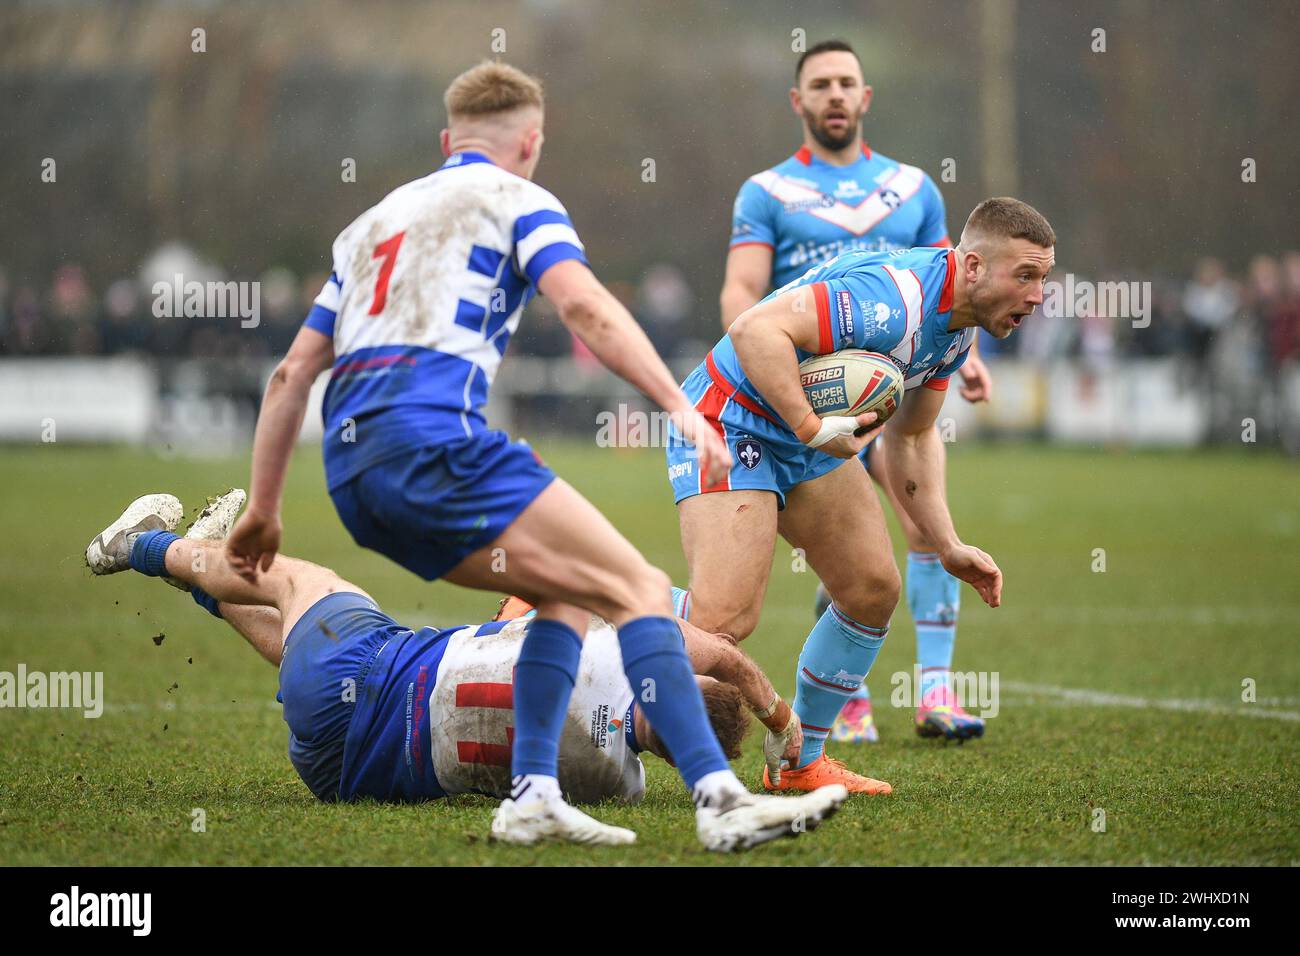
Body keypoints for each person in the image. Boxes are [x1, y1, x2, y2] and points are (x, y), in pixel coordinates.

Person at [218, 53, 843, 853]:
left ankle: (535, 794)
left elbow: (292, 373)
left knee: (566, 590)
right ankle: (720, 800)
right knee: (639, 586)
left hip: (354, 476)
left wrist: (265, 507)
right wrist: (682, 408)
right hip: (437, 445)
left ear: (450, 139)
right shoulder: (521, 198)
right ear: (532, 142)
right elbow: (584, 305)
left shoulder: (368, 225)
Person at [88, 491, 817, 816]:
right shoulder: (617, 791)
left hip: (371, 670)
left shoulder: (603, 651)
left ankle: (143, 546)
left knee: (298, 581)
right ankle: (206, 581)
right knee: (311, 649)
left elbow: (712, 650)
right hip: (343, 773)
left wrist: (773, 707)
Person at [667, 197, 1056, 792]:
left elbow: (914, 437)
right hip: (729, 419)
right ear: (973, 267)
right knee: (723, 623)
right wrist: (807, 426)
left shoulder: (955, 332)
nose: (1037, 295)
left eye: (1044, 279)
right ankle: (575, 603)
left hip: (806, 438)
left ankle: (799, 766)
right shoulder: (892, 302)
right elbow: (753, 330)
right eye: (1025, 276)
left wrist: (945, 542)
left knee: (871, 587)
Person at [719, 39, 996, 745]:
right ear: (799, 102)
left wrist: (963, 357)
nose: (835, 94)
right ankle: (852, 698)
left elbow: (957, 283)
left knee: (923, 517)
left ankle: (935, 690)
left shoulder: (912, 189)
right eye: (821, 85)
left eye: (847, 83)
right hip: (816, 386)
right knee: (843, 539)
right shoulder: (768, 191)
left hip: (898, 385)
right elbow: (745, 294)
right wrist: (753, 358)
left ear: (866, 97)